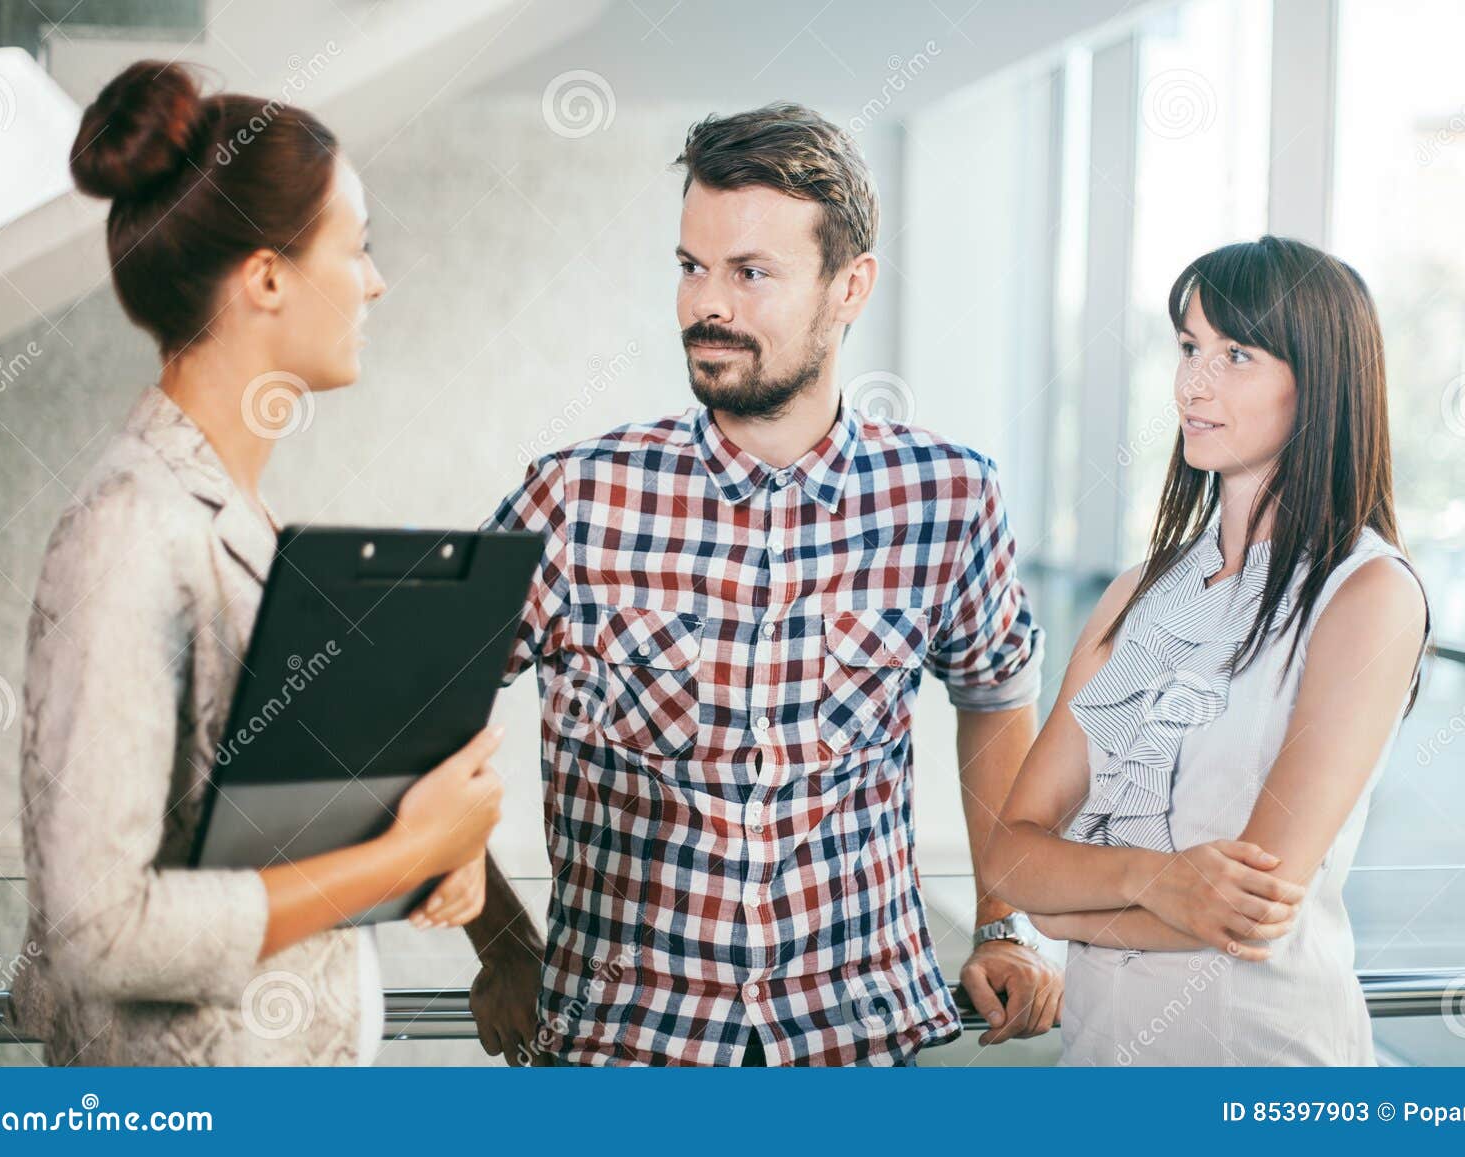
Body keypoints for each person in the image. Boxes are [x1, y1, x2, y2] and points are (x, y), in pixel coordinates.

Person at [448, 103, 1058, 1066]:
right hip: (624, 1047)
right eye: (692, 267)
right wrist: (500, 937)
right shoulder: (574, 499)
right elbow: (406, 718)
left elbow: (995, 704)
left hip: (859, 1037)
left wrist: (1002, 917)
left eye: (750, 273)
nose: (707, 305)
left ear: (848, 287)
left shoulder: (948, 494)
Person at [14, 61, 506, 1066]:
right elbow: (100, 931)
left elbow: (255, 846)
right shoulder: (131, 531)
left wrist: (424, 857)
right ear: (269, 277)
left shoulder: (244, 520)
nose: (374, 279)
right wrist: (406, 848)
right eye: (357, 248)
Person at [987, 236, 1430, 1065]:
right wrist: (1151, 881)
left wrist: (1069, 898)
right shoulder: (1137, 595)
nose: (1194, 381)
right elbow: (1013, 856)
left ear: (1320, 381)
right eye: (1189, 347)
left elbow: (1246, 909)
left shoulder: (1366, 594)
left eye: (1236, 354)